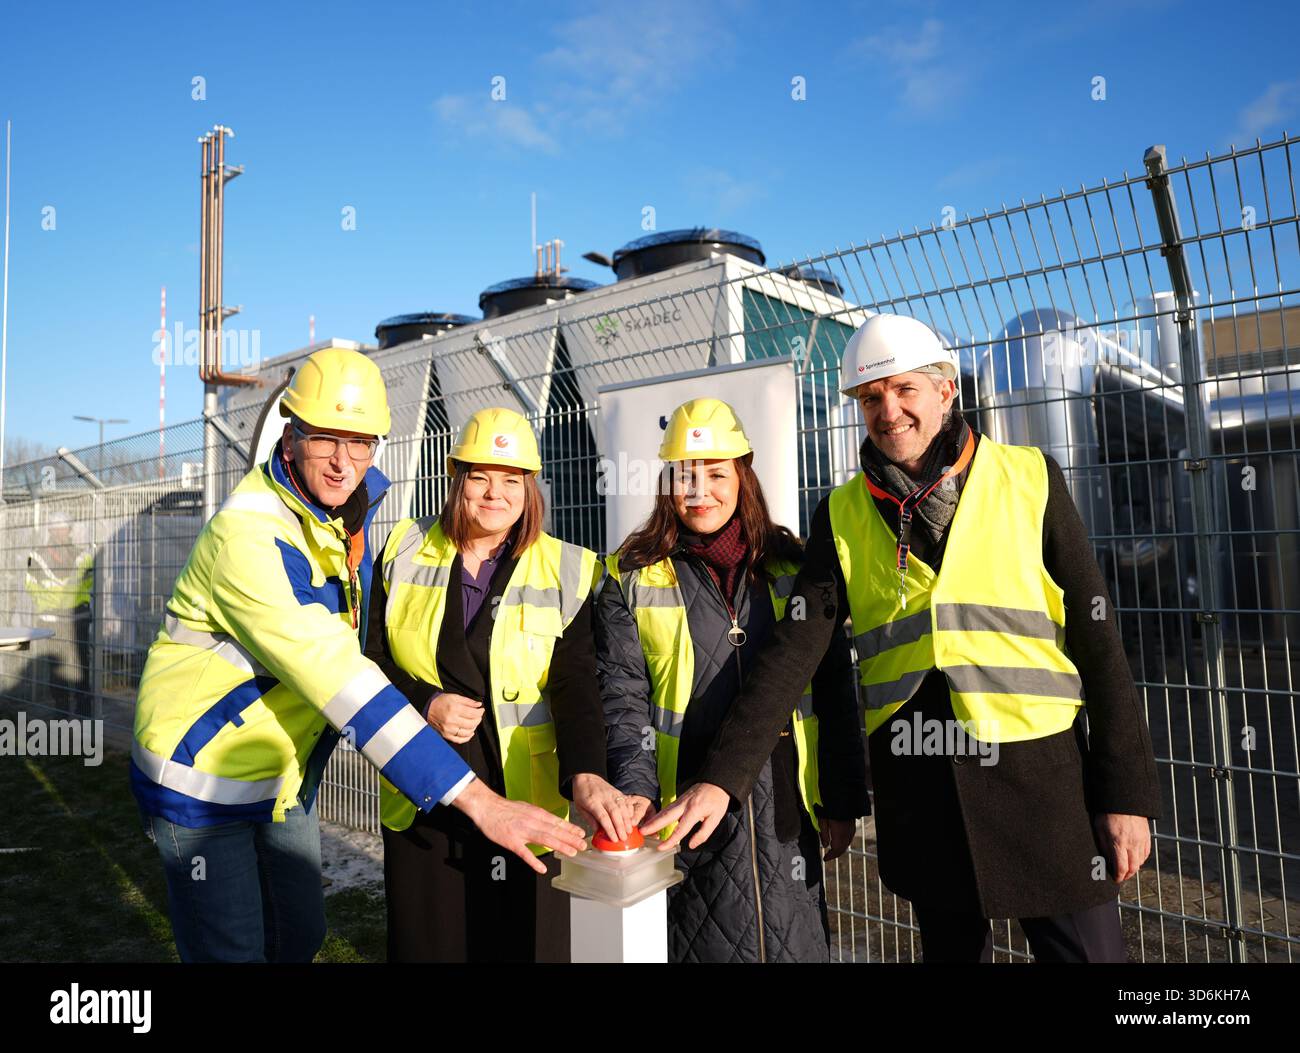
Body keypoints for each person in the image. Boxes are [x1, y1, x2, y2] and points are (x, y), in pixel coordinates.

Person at [646, 315, 1164, 963]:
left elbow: (1099, 642)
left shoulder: (1031, 478)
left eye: (904, 390)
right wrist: (722, 779)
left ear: (946, 391)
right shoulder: (841, 514)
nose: (887, 411)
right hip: (924, 797)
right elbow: (788, 660)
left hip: (1044, 792)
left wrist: (1125, 795)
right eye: (870, 398)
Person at [132, 350, 585, 963]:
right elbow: (342, 674)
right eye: (326, 440)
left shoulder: (340, 519)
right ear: (291, 438)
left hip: (280, 774)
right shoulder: (249, 537)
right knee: (234, 950)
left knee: (298, 936)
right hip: (201, 778)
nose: (345, 462)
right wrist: (480, 800)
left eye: (362, 443)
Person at [598, 398, 870, 963]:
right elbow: (622, 697)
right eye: (684, 475)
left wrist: (841, 797)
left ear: (743, 477)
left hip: (785, 809)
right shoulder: (630, 575)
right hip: (681, 809)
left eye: (716, 474)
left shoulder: (796, 568)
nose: (700, 490)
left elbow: (835, 688)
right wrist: (636, 793)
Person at [367, 406, 631, 963]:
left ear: (530, 488)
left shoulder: (569, 568)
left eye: (511, 479)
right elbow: (368, 660)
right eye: (480, 477)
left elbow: (577, 687)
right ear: (456, 478)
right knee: (432, 944)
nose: (495, 493)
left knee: (523, 945)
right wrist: (426, 703)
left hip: (525, 800)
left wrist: (585, 774)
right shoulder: (401, 549)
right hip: (426, 789)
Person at [26, 511, 95, 715]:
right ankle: (62, 708)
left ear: (70, 531)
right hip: (52, 619)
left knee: (81, 662)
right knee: (57, 666)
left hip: (76, 618)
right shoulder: (36, 556)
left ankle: (83, 706)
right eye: (56, 529)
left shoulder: (83, 555)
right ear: (50, 530)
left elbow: (87, 583)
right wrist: (58, 600)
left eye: (64, 529)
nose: (60, 533)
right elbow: (31, 586)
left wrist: (61, 598)